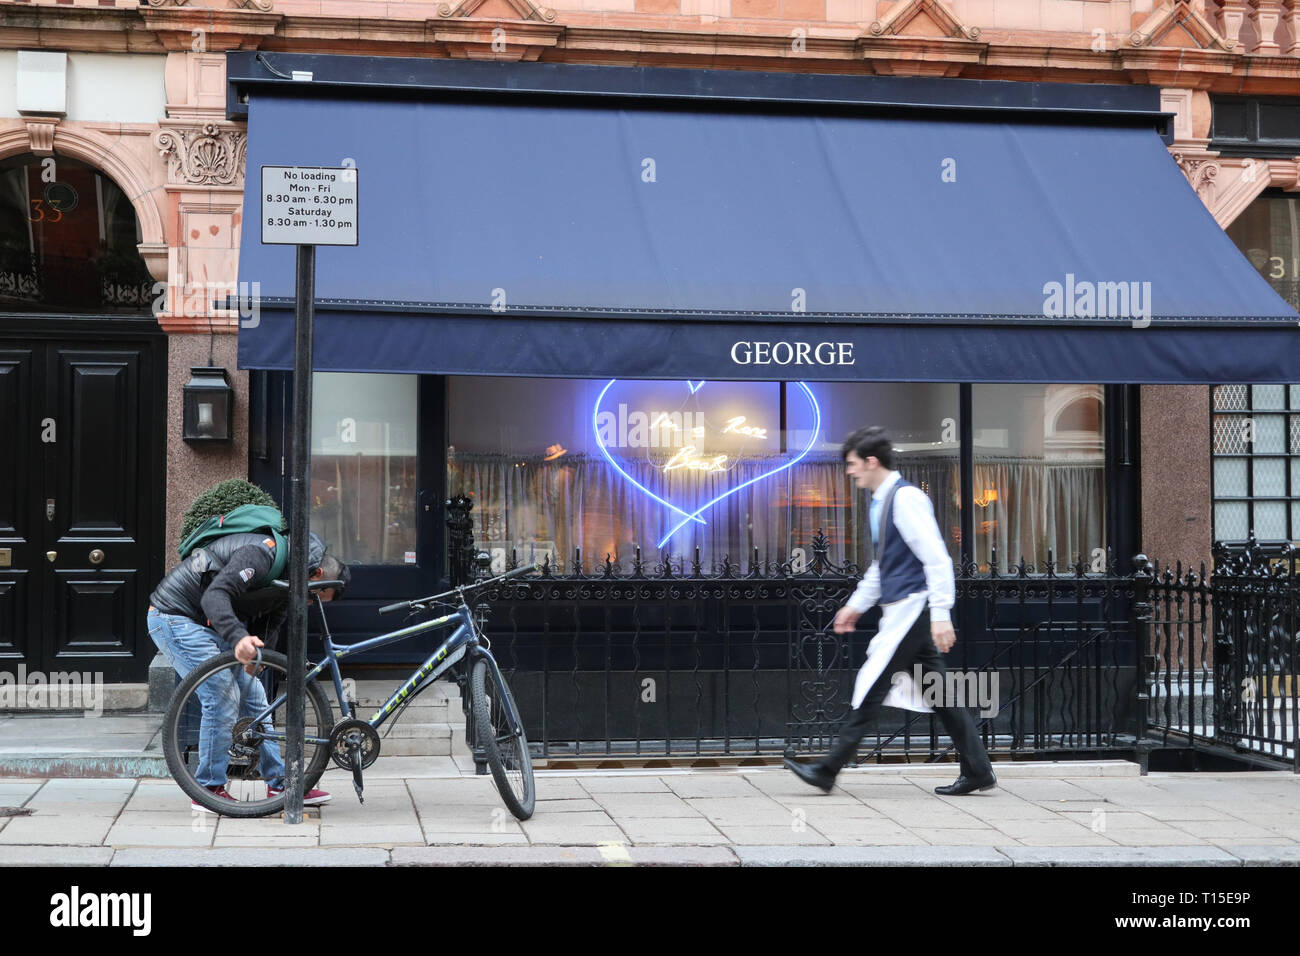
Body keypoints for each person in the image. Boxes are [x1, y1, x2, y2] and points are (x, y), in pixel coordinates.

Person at [784, 426, 996, 796]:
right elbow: (884, 566)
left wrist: (941, 614)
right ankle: (978, 769)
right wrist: (855, 605)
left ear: (871, 461)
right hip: (903, 611)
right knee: (942, 696)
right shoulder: (882, 501)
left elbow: (936, 558)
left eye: (852, 465)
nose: (850, 472)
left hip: (911, 612)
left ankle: (828, 769)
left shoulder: (906, 499)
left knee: (872, 685)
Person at [147, 529, 350, 812]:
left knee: (254, 694)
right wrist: (239, 638)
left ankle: (283, 784)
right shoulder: (261, 554)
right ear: (316, 574)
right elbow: (214, 596)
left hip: (205, 625)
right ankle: (207, 789)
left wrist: (260, 659)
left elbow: (273, 622)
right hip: (175, 617)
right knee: (221, 695)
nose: (309, 602)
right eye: (315, 595)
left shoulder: (293, 578)